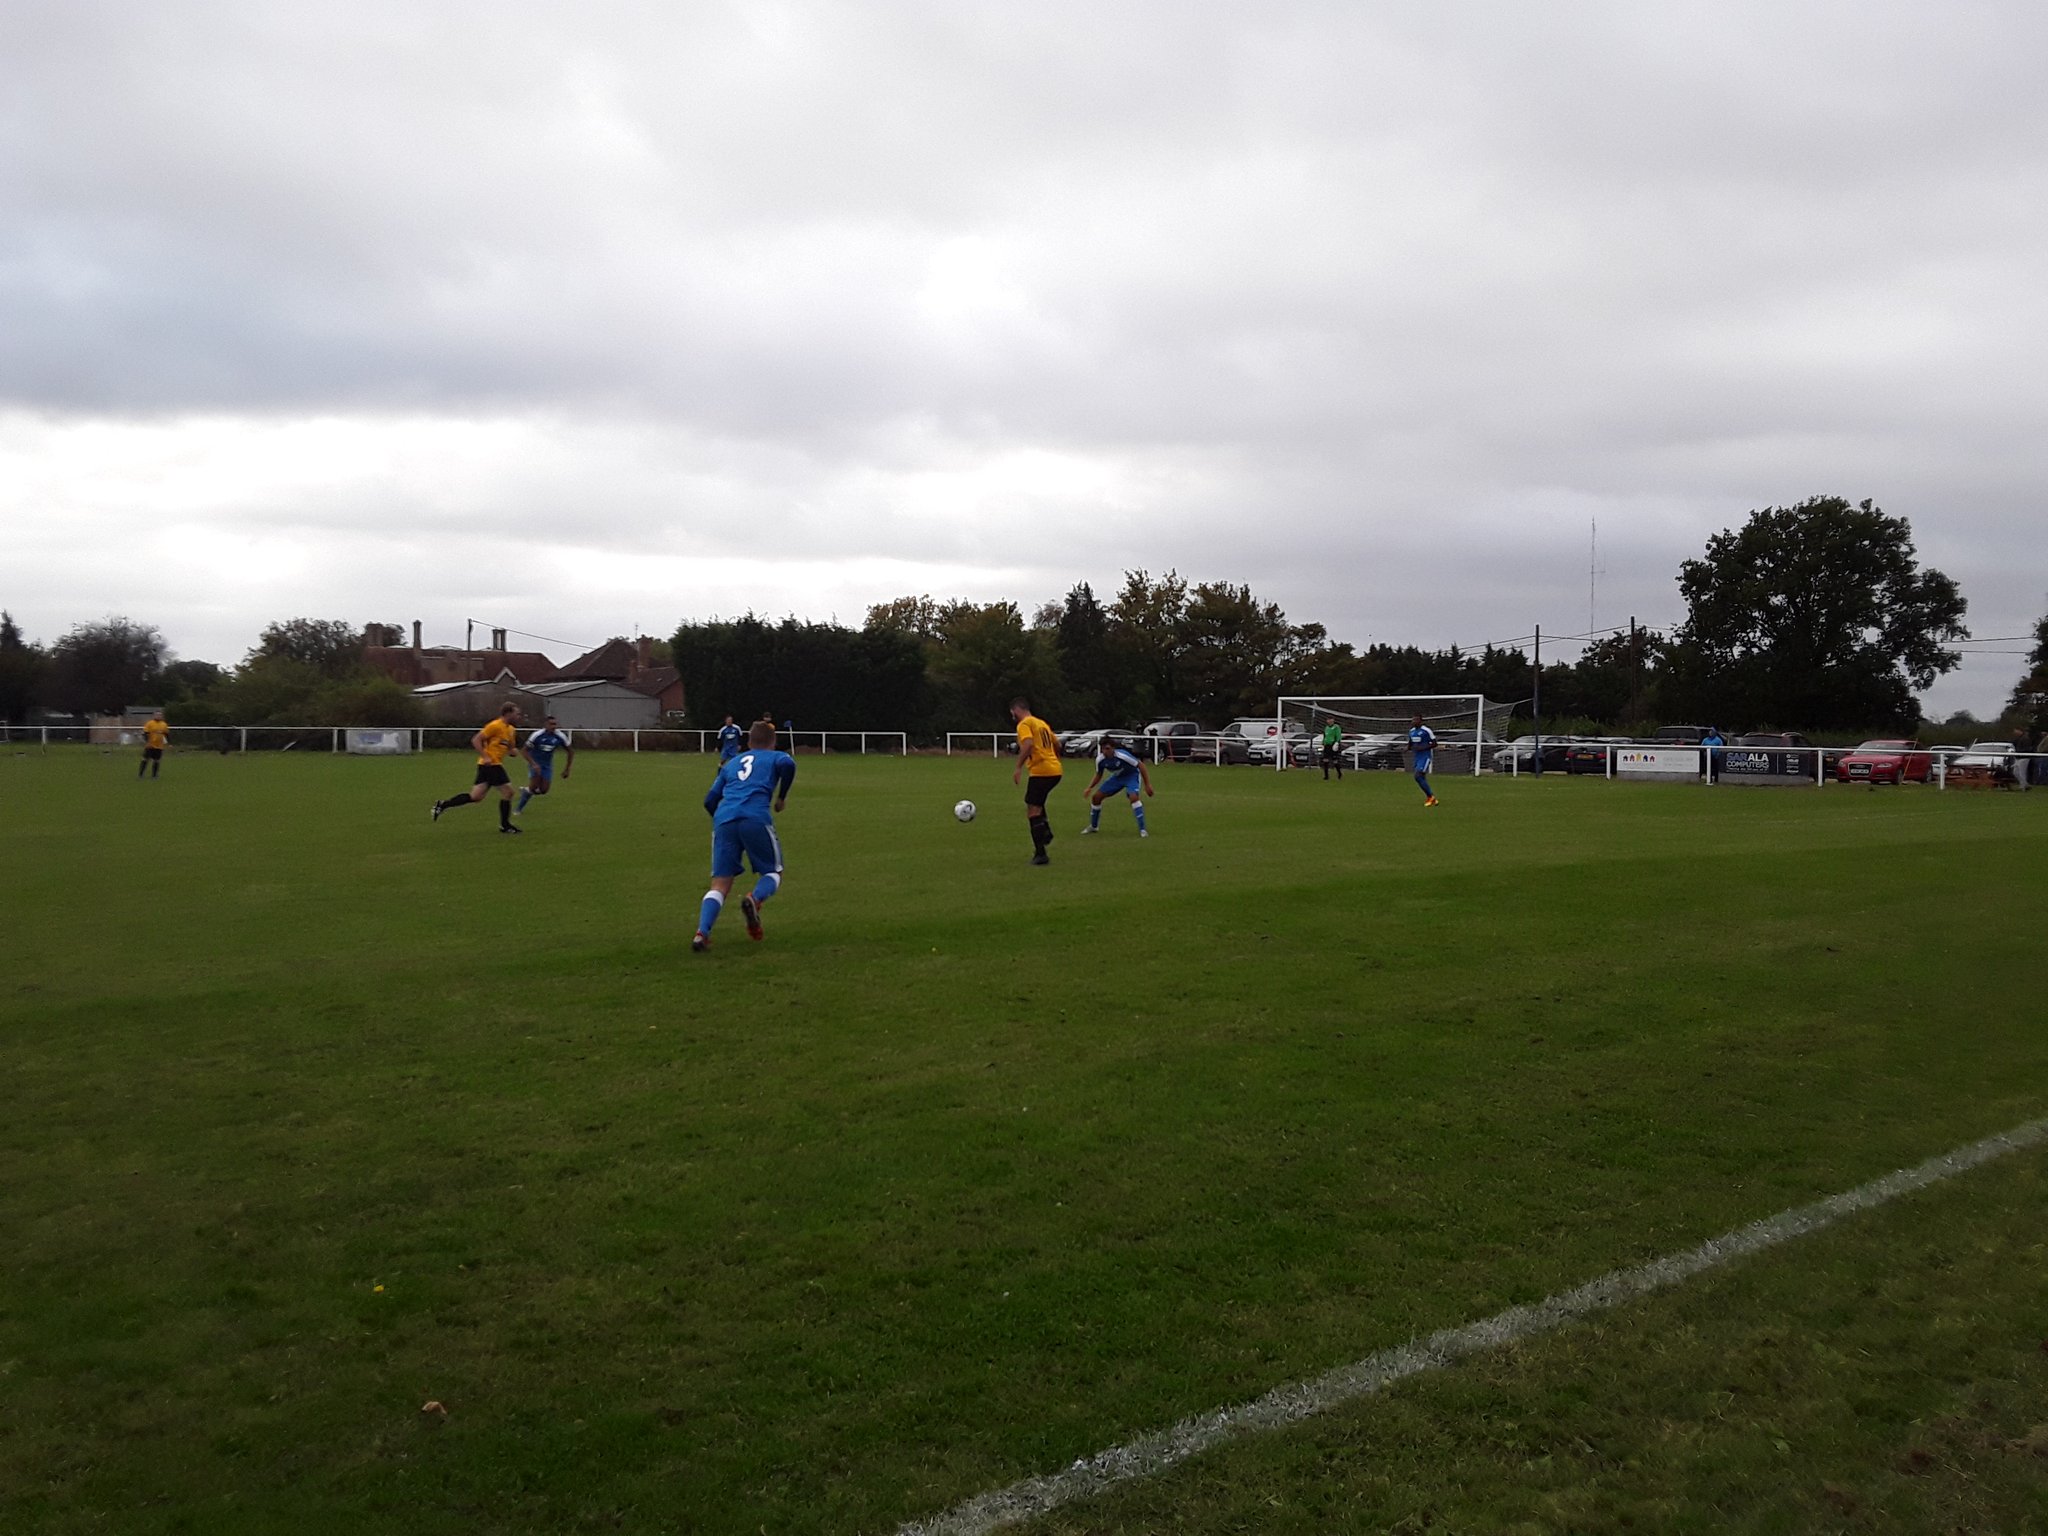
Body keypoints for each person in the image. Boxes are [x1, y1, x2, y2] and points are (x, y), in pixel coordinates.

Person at [693, 720, 796, 952]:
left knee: (720, 884)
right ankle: (755, 899)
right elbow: (788, 764)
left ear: (748, 742)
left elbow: (709, 800)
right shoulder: (776, 757)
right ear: (773, 742)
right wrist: (781, 797)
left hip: (724, 819)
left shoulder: (731, 763)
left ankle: (701, 934)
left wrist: (722, 821)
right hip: (754, 817)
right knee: (773, 871)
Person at [431, 703, 524, 834]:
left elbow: (510, 747)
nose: (519, 716)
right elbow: (476, 740)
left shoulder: (511, 730)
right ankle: (505, 825)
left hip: (489, 766)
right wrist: (485, 756)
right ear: (508, 713)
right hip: (492, 765)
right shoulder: (495, 725)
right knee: (508, 793)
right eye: (516, 713)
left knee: (476, 797)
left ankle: (442, 805)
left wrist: (512, 751)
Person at [1010, 697, 1062, 864]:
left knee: (1033, 810)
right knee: (1035, 803)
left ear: (1016, 710)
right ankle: (1045, 831)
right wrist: (1054, 760)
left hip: (1041, 772)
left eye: (1012, 712)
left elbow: (1028, 745)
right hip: (1055, 771)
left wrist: (1018, 767)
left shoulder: (1024, 724)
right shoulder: (1041, 723)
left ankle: (1041, 854)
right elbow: (1057, 744)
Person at [1082, 736, 1156, 837]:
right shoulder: (1100, 760)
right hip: (1117, 778)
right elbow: (1099, 774)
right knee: (1096, 797)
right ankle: (1094, 826)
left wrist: (1147, 785)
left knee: (1133, 797)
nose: (1105, 751)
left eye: (1107, 748)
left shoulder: (1122, 756)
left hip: (1131, 776)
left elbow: (1141, 765)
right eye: (1103, 749)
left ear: (1113, 748)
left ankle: (1143, 830)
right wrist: (1089, 788)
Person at [515, 715, 574, 814]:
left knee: (544, 790)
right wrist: (533, 764)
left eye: (555, 724)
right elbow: (524, 751)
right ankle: (518, 809)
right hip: (535, 763)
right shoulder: (537, 735)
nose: (553, 726)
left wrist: (567, 769)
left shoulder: (560, 736)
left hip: (547, 765)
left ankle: (526, 791)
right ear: (545, 725)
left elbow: (570, 752)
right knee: (534, 786)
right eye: (551, 724)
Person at [1408, 714, 1438, 807]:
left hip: (1425, 757)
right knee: (1421, 777)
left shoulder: (1426, 730)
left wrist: (1423, 747)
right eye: (1413, 720)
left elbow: (1434, 744)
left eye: (1416, 720)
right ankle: (1431, 798)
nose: (1414, 721)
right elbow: (1411, 743)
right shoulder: (1412, 731)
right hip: (1417, 757)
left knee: (1417, 776)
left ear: (1421, 721)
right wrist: (1407, 748)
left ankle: (1430, 797)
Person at [138, 709, 169, 779]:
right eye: (157, 715)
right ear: (154, 715)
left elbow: (166, 734)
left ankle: (154, 775)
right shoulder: (149, 723)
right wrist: (147, 742)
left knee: (157, 760)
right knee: (145, 759)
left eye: (160, 715)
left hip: (159, 746)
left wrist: (169, 743)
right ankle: (141, 775)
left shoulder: (164, 724)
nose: (158, 716)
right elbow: (145, 733)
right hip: (150, 745)